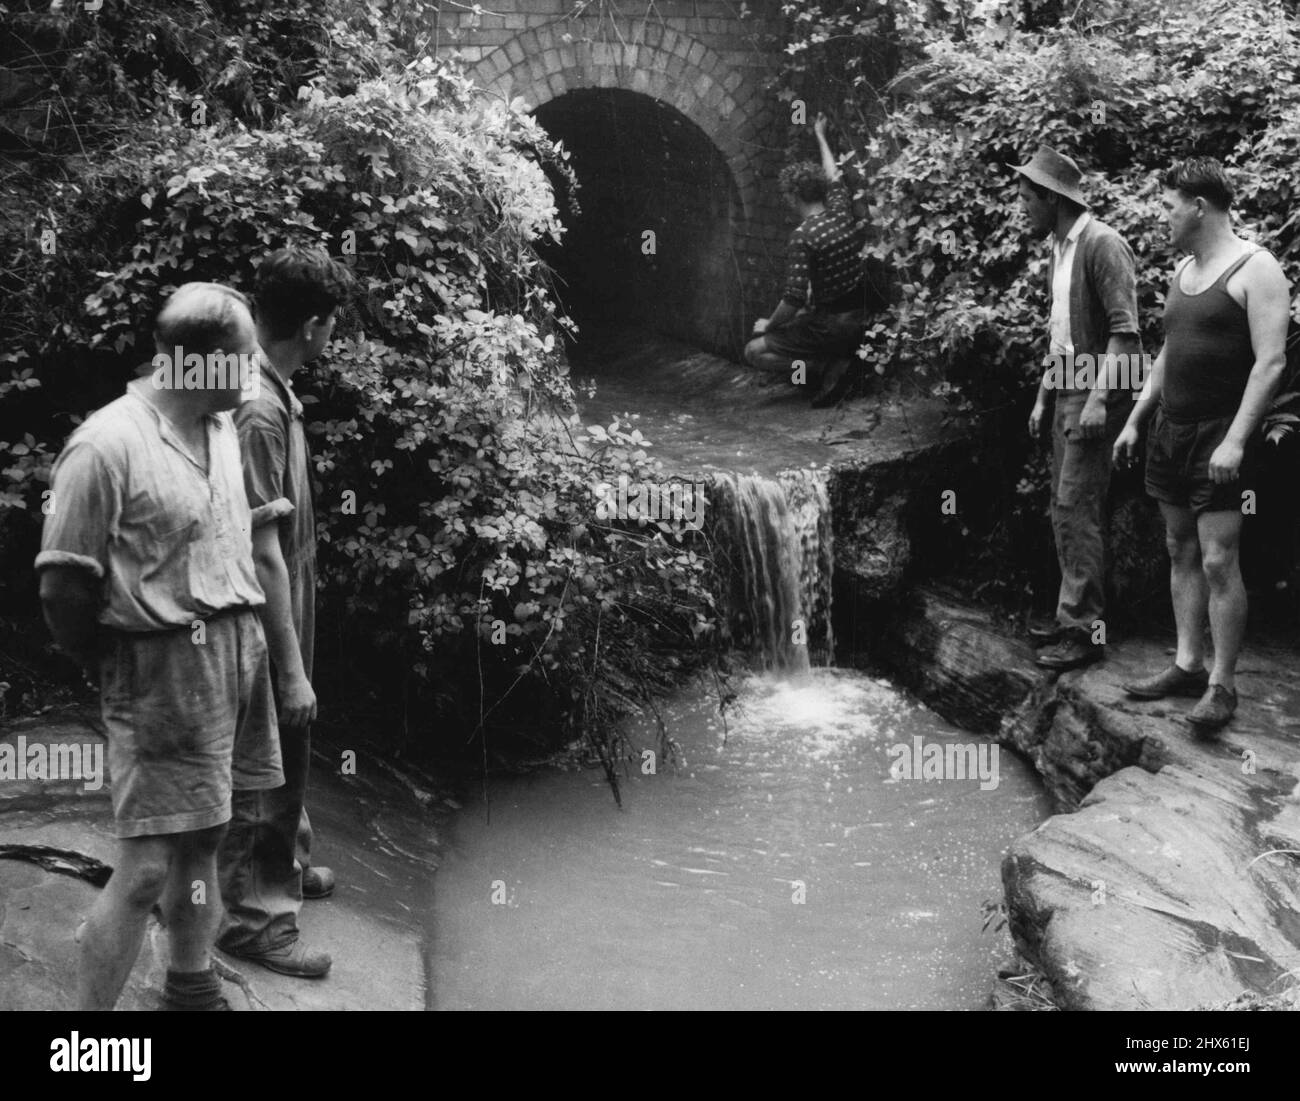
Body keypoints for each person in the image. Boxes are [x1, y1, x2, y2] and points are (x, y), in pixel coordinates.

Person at [37, 283, 283, 1010]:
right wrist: (109, 661)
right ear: (200, 363)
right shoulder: (106, 445)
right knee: (144, 866)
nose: (252, 374)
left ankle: (190, 983)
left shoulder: (222, 427)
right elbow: (60, 586)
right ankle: (85, 1043)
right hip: (157, 669)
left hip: (232, 659)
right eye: (242, 360)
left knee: (207, 835)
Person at [1114, 157, 1290, 731]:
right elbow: (1168, 352)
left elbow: (1271, 363)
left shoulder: (1255, 268)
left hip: (1221, 436)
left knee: (1219, 560)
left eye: (1167, 206)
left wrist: (1237, 441)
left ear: (1198, 206)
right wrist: (1137, 418)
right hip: (1172, 431)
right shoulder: (1185, 271)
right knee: (1179, 548)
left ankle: (1223, 685)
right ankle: (1188, 664)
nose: (1161, 216)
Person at [216, 247, 354, 977]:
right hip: (262, 601)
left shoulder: (272, 385)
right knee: (265, 754)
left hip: (289, 588)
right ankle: (256, 920)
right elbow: (262, 548)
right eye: (331, 324)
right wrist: (292, 665)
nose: (333, 335)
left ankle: (287, 863)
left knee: (289, 745)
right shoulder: (260, 410)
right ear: (310, 325)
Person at [1015, 145, 1142, 671]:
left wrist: (1096, 400)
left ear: (1051, 198)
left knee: (1078, 507)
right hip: (1069, 385)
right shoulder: (1060, 247)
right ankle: (1071, 613)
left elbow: (1126, 334)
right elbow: (1060, 333)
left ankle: (1085, 632)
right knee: (1061, 506)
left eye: (1026, 198)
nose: (1021, 207)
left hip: (1098, 391)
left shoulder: (1102, 244)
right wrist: (1046, 396)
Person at [744, 113, 867, 408]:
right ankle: (834, 360)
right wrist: (821, 136)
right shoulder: (840, 209)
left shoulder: (803, 235)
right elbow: (833, 173)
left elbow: (793, 299)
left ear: (793, 197)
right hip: (861, 318)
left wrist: (768, 325)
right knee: (804, 315)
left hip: (831, 328)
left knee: (754, 351)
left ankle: (822, 368)